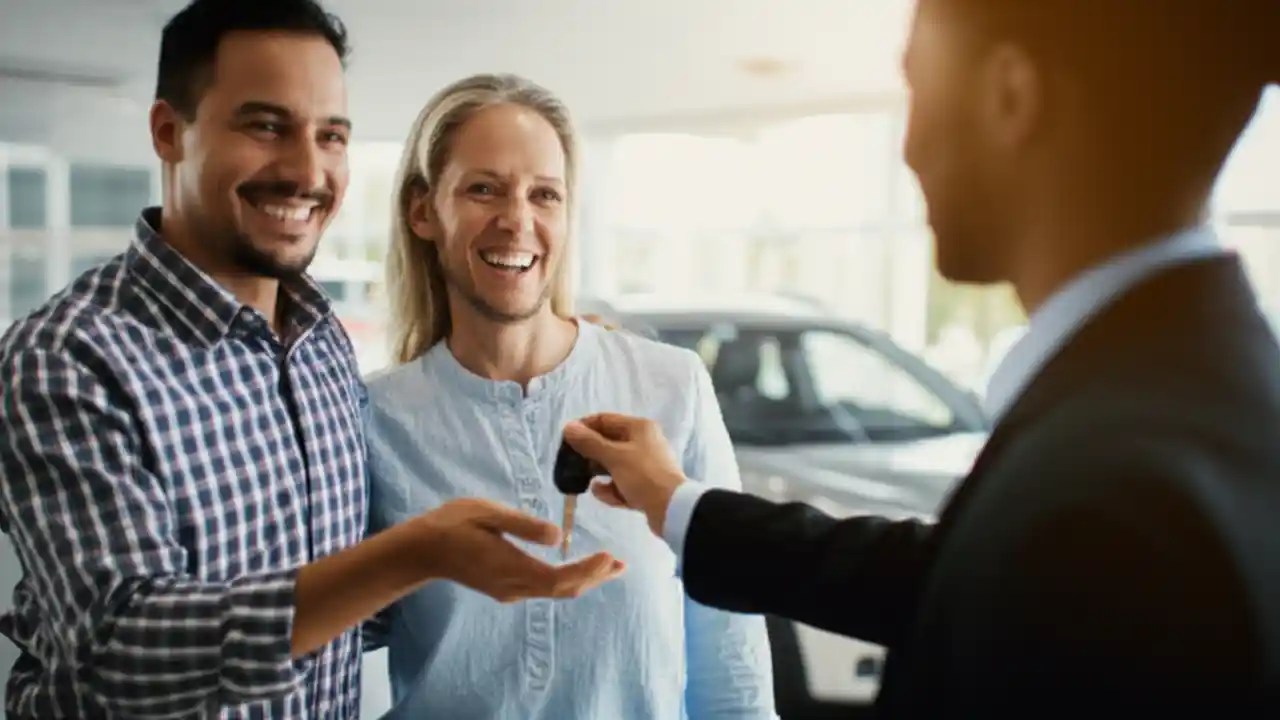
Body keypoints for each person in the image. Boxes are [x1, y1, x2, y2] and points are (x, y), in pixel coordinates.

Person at [562, 1, 1280, 716]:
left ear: (1010, 98)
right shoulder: (1206, 396)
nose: (906, 148)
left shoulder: (1106, 490)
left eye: (917, 88)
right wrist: (679, 503)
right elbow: (962, 575)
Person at [0, 2, 619, 717]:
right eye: (266, 127)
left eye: (331, 137)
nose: (306, 170)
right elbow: (119, 651)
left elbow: (354, 613)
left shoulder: (319, 342)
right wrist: (418, 554)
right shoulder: (68, 357)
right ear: (170, 133)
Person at [363, 73, 778, 720]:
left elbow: (732, 661)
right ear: (423, 211)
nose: (516, 219)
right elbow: (324, 651)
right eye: (484, 189)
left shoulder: (671, 387)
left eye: (545, 194)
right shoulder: (374, 421)